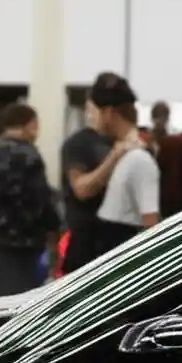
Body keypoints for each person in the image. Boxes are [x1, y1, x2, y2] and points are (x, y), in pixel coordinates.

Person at [0, 102, 60, 298]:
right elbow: (39, 205)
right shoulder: (28, 156)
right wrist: (58, 226)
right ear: (32, 125)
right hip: (13, 256)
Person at [60, 72, 128, 274]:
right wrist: (114, 159)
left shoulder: (126, 142)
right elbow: (82, 188)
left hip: (119, 249)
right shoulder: (78, 144)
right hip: (85, 253)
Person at [95, 102, 160, 257]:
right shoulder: (124, 155)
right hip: (112, 247)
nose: (94, 118)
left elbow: (150, 219)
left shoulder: (140, 160)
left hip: (122, 249)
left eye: (96, 112)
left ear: (109, 113)